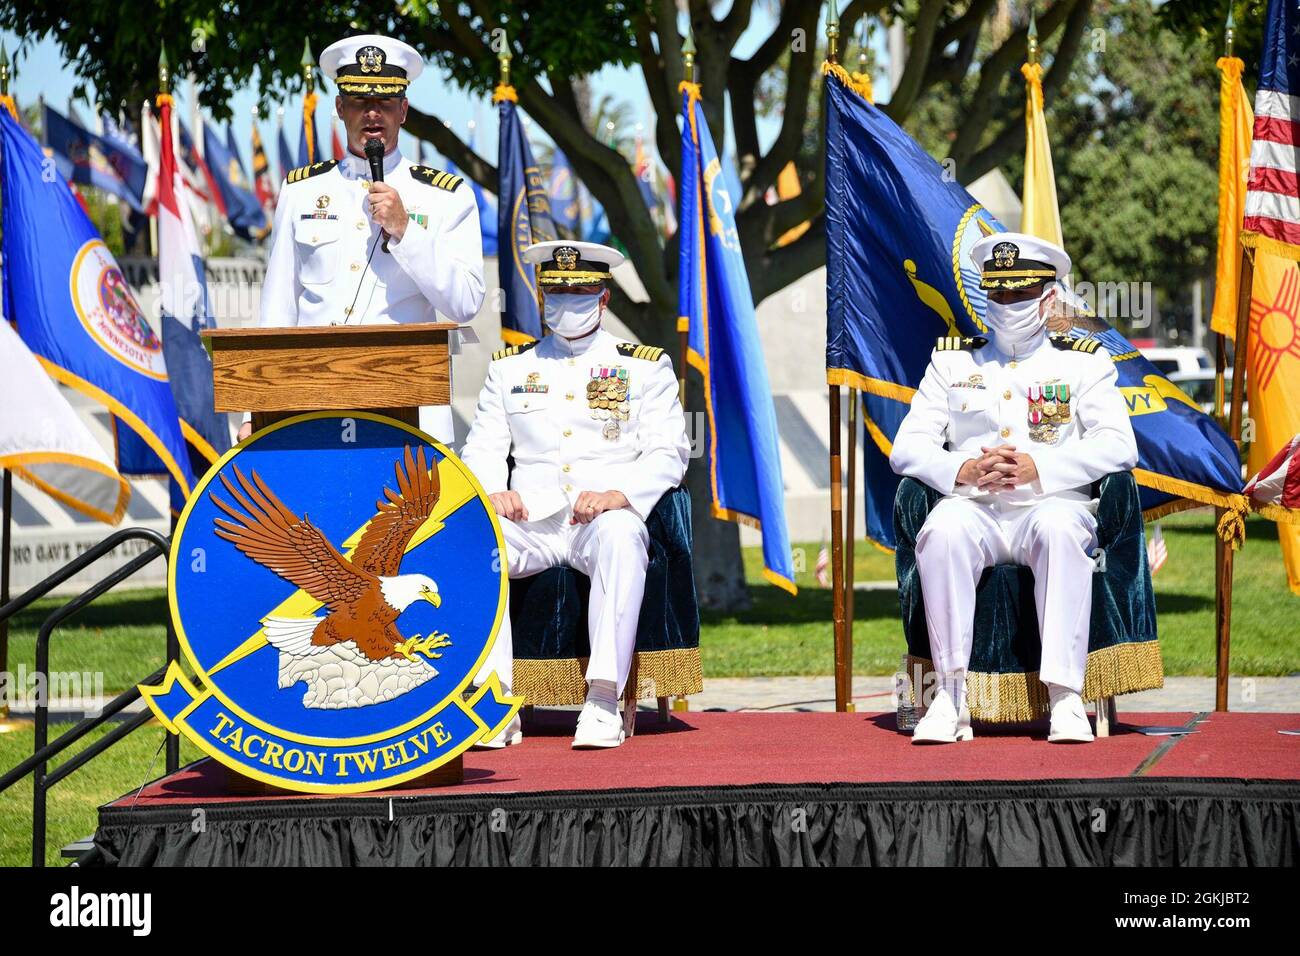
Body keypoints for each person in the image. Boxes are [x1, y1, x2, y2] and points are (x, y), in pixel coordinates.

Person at [889, 232, 1138, 745]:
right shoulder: (952, 363)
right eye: (997, 295)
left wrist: (1038, 467)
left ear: (1048, 298)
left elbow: (1119, 447)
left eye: (1019, 295)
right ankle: (948, 695)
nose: (1007, 306)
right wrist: (962, 471)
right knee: (942, 533)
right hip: (975, 508)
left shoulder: (1083, 363)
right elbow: (906, 449)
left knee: (1060, 530)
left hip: (1049, 504)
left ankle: (1066, 697)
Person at [461, 240, 691, 749]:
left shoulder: (643, 366)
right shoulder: (509, 368)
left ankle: (603, 699)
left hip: (599, 517)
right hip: (532, 519)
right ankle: (495, 702)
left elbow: (669, 451)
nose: (567, 304)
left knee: (622, 536)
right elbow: (482, 447)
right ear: (541, 298)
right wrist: (492, 492)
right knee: (478, 538)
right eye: (556, 293)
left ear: (603, 298)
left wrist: (620, 494)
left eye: (581, 291)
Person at [241, 34, 484, 443]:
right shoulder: (300, 190)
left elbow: (467, 303)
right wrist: (256, 412)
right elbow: (278, 309)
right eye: (358, 101)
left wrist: (406, 230)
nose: (373, 114)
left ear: (403, 110)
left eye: (386, 102)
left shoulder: (445, 195)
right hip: (313, 405)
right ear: (339, 108)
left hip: (410, 410)